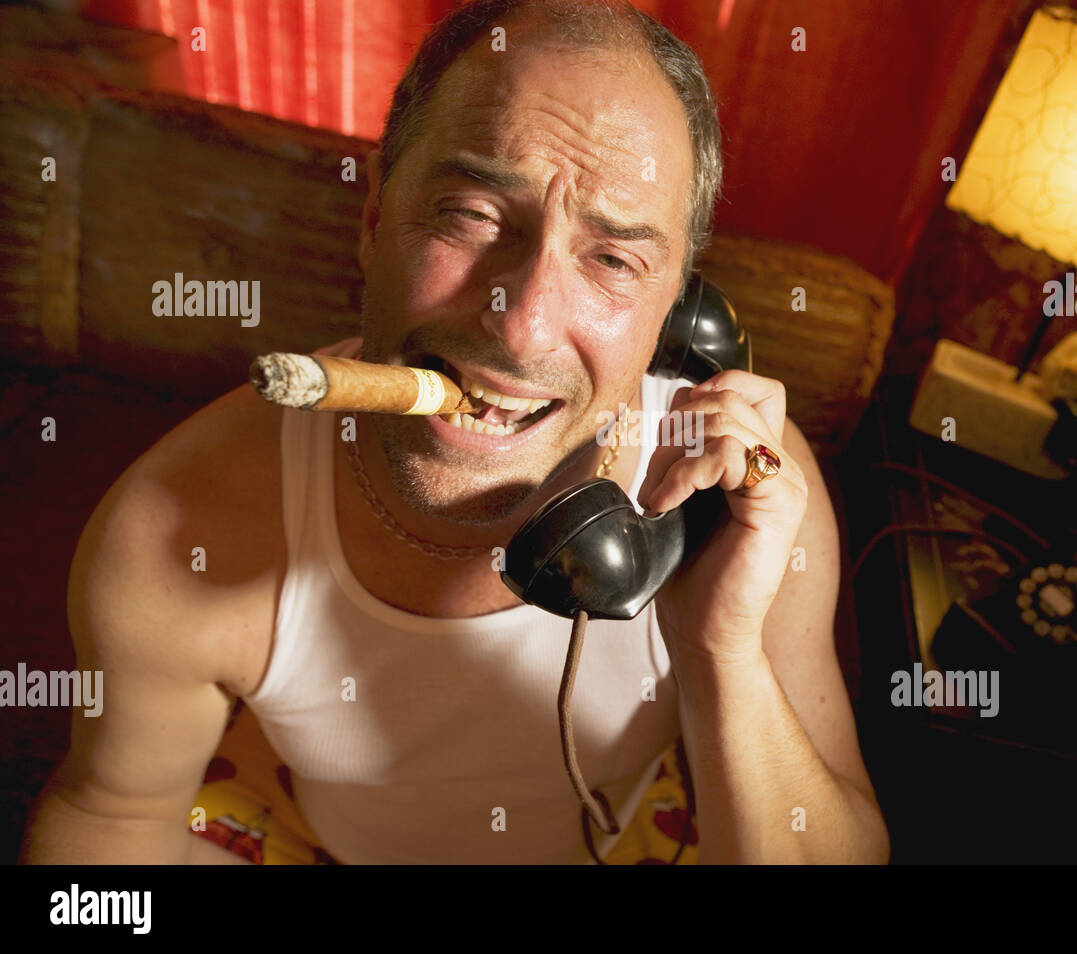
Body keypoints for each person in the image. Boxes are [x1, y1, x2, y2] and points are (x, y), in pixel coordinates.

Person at [21, 0, 888, 864]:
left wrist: (720, 650)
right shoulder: (176, 527)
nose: (524, 327)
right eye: (472, 214)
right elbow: (110, 819)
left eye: (614, 259)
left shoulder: (750, 493)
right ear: (374, 222)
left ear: (673, 309)